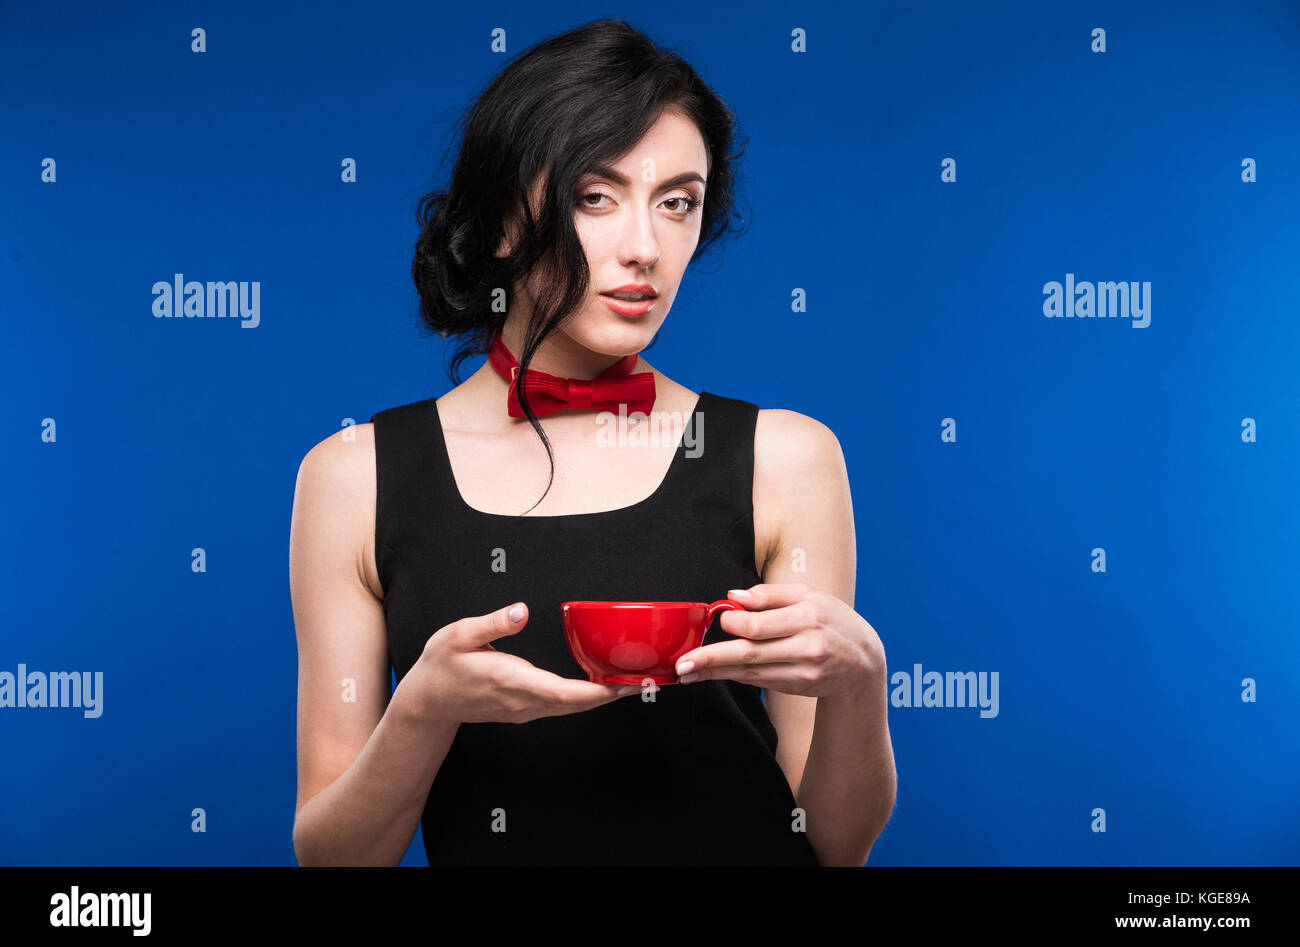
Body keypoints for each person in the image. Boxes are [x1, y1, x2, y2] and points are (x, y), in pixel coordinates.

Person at [289, 17, 896, 866]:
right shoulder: (353, 477)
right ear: (503, 222)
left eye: (677, 202)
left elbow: (836, 843)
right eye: (595, 196)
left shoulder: (786, 457)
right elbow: (331, 858)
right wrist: (420, 711)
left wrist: (862, 679)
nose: (646, 247)